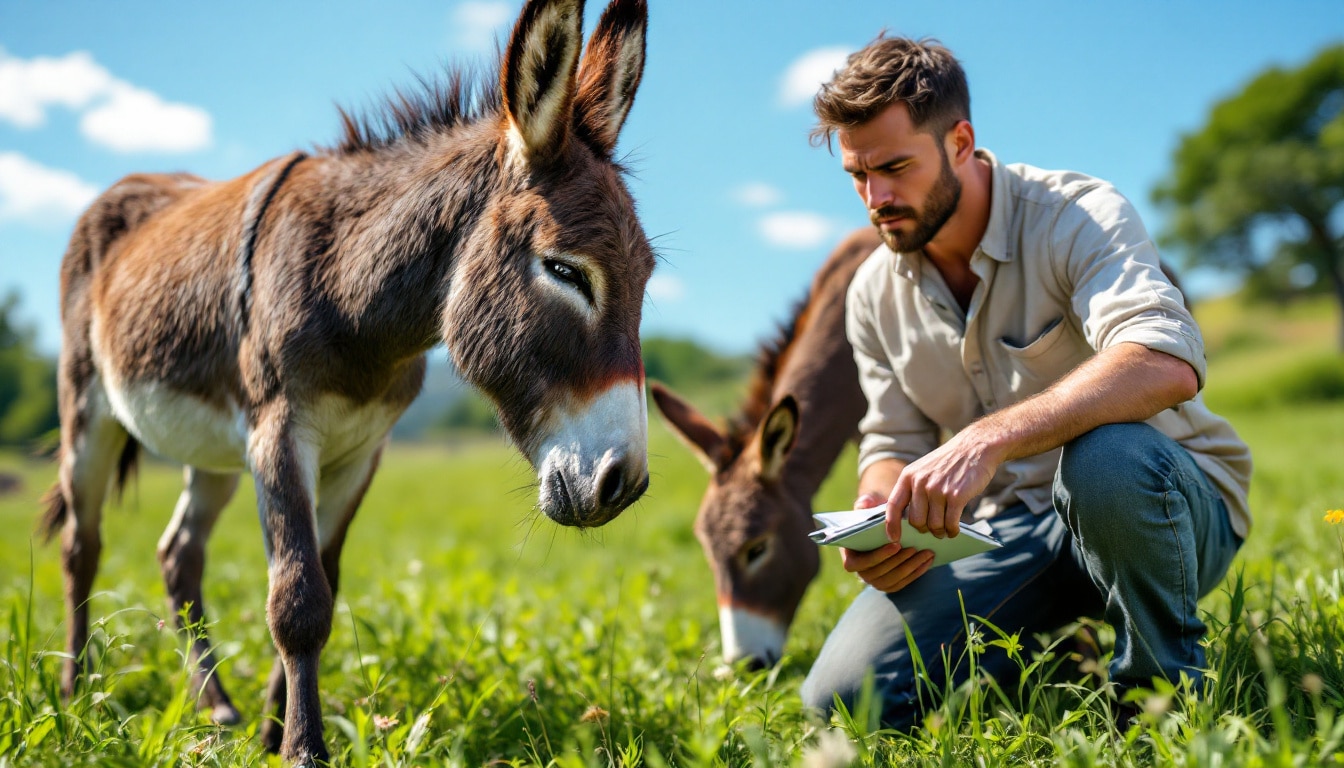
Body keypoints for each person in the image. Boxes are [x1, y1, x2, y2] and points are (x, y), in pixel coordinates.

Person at [798, 35, 1252, 729]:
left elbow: (1165, 359)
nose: (875, 198)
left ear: (959, 142)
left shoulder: (1077, 215)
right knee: (841, 701)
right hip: (1004, 532)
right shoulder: (872, 293)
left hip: (1163, 511)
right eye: (857, 175)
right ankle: (1052, 657)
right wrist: (881, 511)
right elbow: (893, 437)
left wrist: (988, 440)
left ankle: (1159, 705)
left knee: (1105, 458)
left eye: (894, 167)